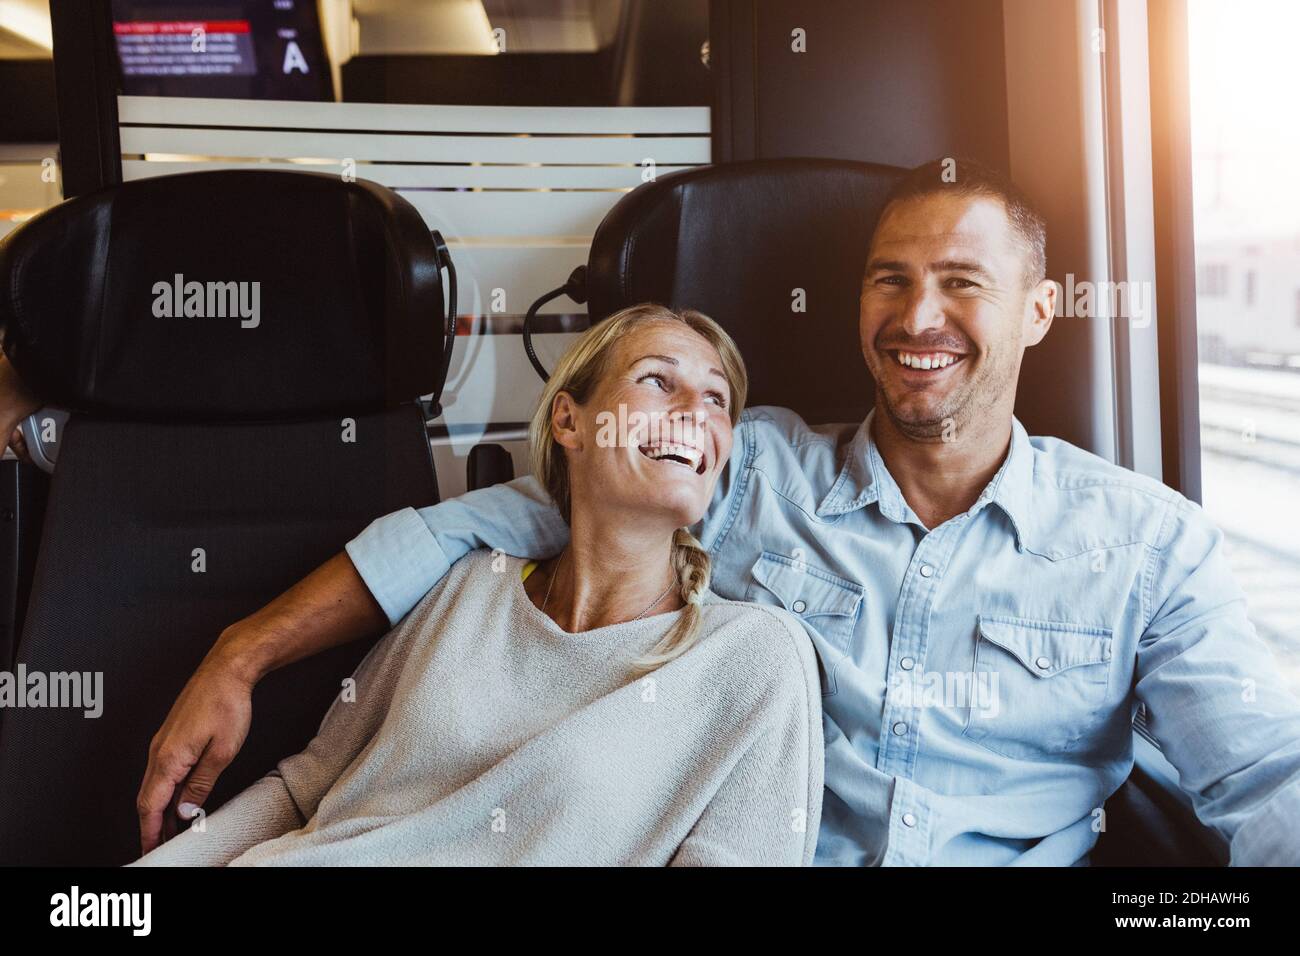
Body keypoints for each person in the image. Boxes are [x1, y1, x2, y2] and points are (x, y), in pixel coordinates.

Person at [11, 158, 1297, 864]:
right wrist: (245, 646)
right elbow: (512, 527)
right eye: (888, 280)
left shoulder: (1149, 542)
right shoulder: (749, 474)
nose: (916, 318)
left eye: (962, 282)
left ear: (1039, 312)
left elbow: (1259, 781)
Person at [127, 304, 822, 866]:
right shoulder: (468, 588)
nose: (694, 413)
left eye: (717, 399)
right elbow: (303, 792)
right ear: (569, 421)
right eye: (657, 381)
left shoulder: (753, 658)